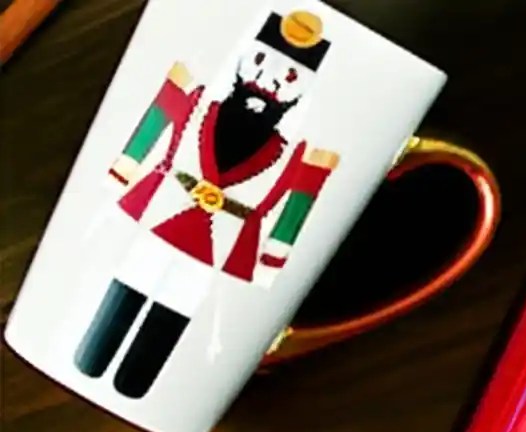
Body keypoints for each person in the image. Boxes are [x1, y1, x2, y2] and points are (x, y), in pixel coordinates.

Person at [75, 9, 339, 398]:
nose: (267, 83)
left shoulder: (296, 153)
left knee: (176, 305)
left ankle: (134, 383)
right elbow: (158, 117)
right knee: (132, 280)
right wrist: (122, 172)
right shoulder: (198, 103)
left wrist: (272, 260)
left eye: (288, 77)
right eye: (262, 64)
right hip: (163, 213)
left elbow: (298, 202)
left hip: (222, 239)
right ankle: (91, 359)